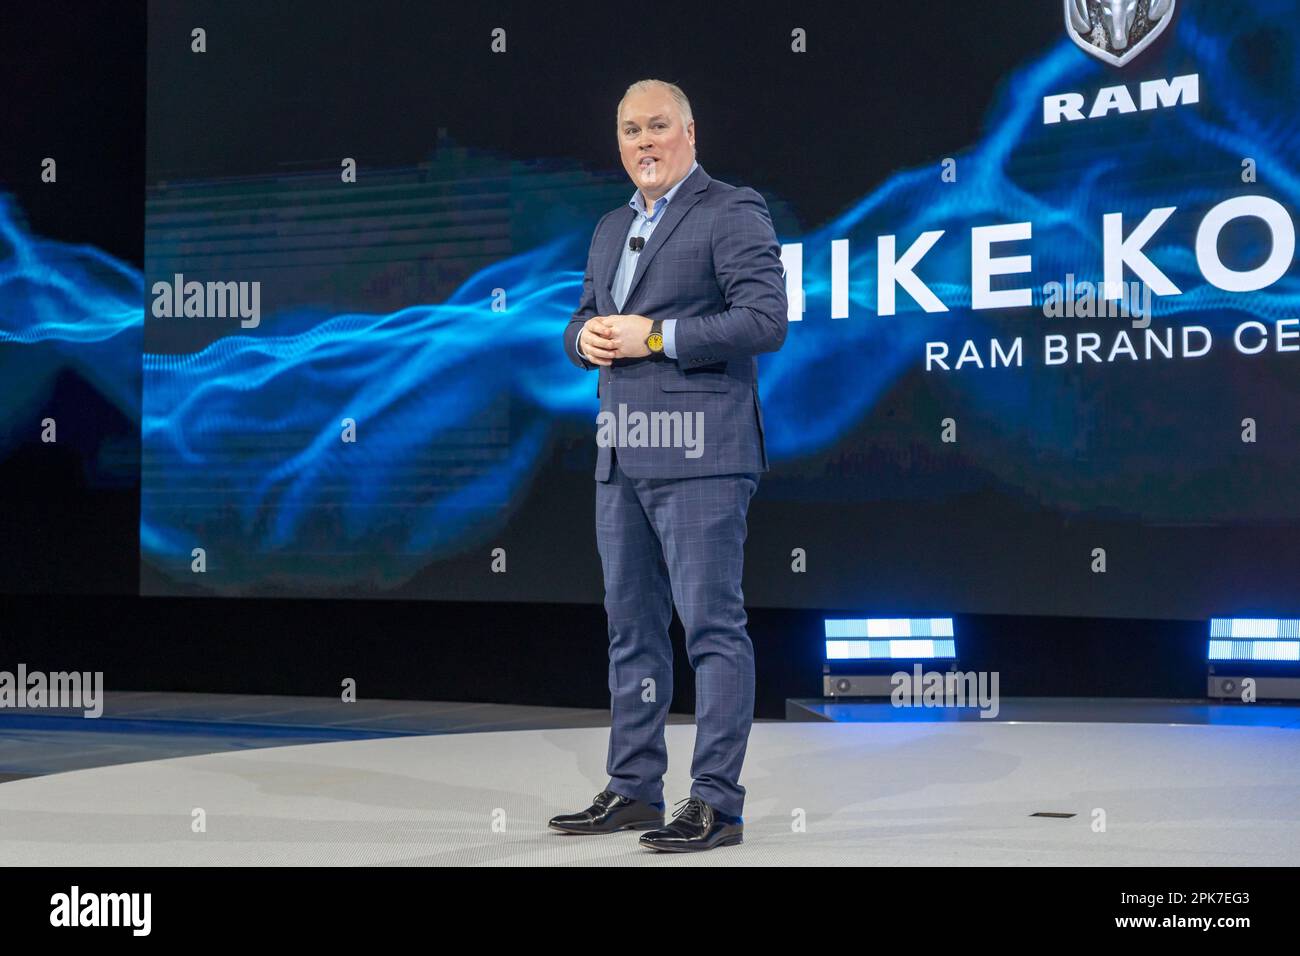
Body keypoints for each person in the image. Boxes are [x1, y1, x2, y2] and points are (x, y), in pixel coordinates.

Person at [550, 79, 788, 852]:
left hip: (703, 455)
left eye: (657, 126)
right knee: (631, 631)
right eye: (630, 130)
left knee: (712, 629)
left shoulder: (731, 209)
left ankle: (716, 802)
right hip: (621, 454)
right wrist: (581, 340)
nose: (643, 142)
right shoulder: (610, 227)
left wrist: (656, 337)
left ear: (690, 132)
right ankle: (633, 789)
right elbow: (583, 318)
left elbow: (764, 320)